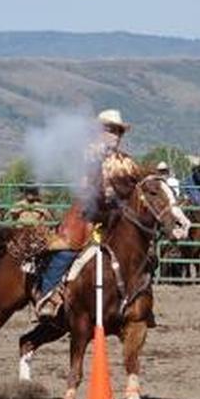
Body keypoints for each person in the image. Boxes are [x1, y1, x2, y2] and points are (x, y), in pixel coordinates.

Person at [36, 108, 141, 319]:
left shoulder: (127, 161)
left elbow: (136, 187)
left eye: (118, 131)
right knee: (70, 246)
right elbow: (84, 185)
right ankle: (49, 295)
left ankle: (138, 298)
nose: (115, 135)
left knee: (141, 247)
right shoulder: (89, 154)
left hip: (118, 216)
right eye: (111, 130)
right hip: (87, 212)